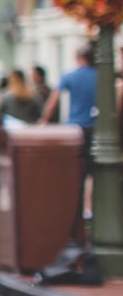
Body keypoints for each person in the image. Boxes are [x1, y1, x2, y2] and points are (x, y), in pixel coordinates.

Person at [42, 47, 98, 219]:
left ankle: (74, 209)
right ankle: (88, 208)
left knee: (74, 170)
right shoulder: (100, 76)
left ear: (78, 57)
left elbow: (53, 100)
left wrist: (44, 120)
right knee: (91, 170)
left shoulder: (69, 76)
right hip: (94, 126)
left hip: (74, 128)